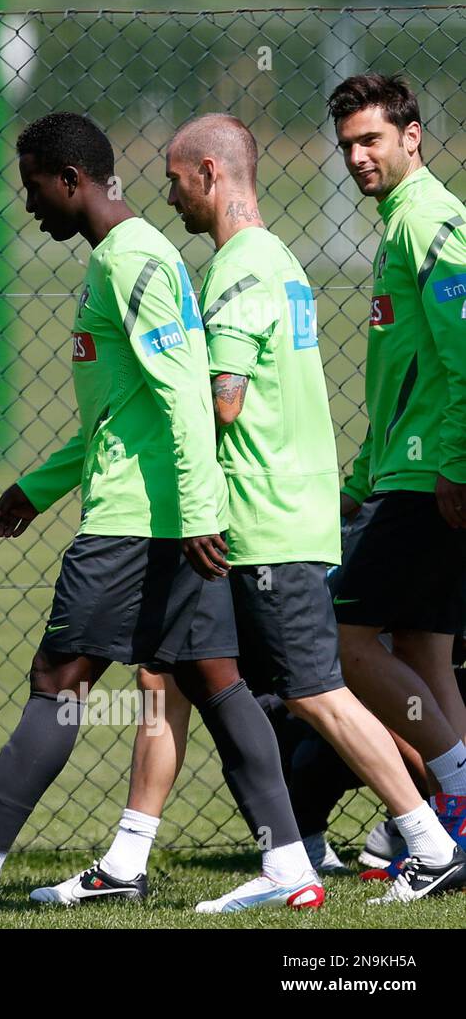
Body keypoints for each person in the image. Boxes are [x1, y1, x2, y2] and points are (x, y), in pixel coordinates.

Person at [0, 112, 321, 914]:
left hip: (140, 522)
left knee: (60, 680)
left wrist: (194, 512)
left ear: (71, 181)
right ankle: (288, 862)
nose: (29, 203)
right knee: (216, 682)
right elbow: (122, 414)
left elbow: (186, 392)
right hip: (166, 516)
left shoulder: (134, 261)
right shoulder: (121, 257)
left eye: (35, 185)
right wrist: (39, 488)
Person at [27, 113, 465, 907]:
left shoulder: (240, 267)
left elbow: (222, 404)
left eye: (173, 179)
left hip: (260, 523)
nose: (167, 196)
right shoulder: (273, 261)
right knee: (172, 677)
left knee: (317, 691)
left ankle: (428, 837)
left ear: (209, 175)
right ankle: (154, 863)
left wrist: (151, 393)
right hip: (258, 518)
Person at [325, 73, 466, 900]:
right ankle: (457, 822)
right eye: (347, 143)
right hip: (405, 468)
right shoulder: (398, 226)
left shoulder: (431, 221)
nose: (356, 156)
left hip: (429, 475)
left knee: (344, 642)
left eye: (371, 139)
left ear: (413, 137)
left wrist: (453, 462)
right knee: (423, 651)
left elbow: (461, 350)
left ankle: (453, 795)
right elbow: (399, 376)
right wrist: (357, 479)